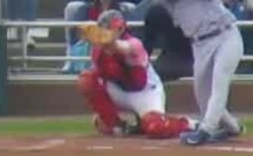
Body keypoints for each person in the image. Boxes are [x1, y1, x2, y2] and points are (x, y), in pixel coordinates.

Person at [159, 0, 246, 146]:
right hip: (199, 44)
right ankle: (232, 126)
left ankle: (206, 129)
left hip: (225, 35)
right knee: (203, 94)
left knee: (219, 82)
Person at [77, 9, 193, 138]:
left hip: (145, 92)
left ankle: (188, 124)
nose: (111, 32)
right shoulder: (97, 52)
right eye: (107, 29)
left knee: (156, 127)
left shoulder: (134, 44)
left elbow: (123, 47)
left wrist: (110, 42)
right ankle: (115, 124)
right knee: (86, 80)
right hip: (118, 89)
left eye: (114, 28)